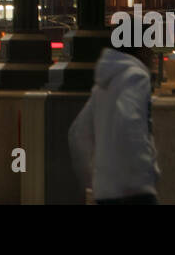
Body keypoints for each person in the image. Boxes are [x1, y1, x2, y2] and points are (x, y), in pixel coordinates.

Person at [68, 45, 159, 204]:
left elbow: (78, 132)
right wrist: (144, 171)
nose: (153, 53)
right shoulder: (136, 77)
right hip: (134, 191)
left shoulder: (103, 84)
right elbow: (128, 121)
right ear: (140, 48)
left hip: (105, 192)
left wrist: (94, 177)